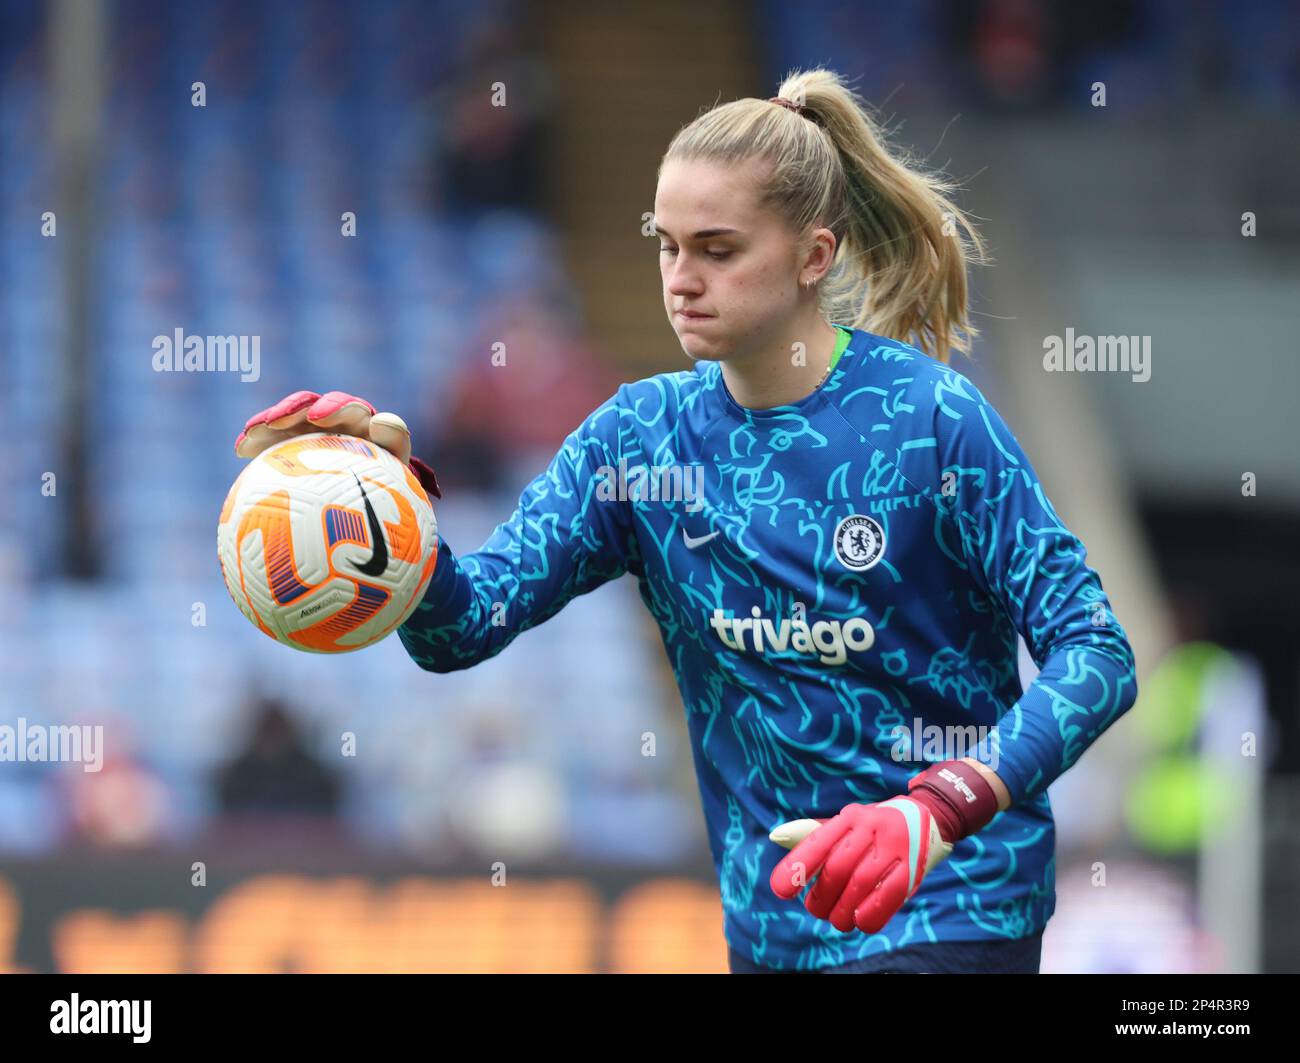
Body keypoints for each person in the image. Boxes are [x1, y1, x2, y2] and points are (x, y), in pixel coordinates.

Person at [232, 68, 1138, 974]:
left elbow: (1098, 652)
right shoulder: (640, 439)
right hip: (771, 932)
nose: (681, 280)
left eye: (717, 249)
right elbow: (464, 626)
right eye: (667, 247)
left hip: (952, 910)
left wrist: (939, 806)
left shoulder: (934, 423)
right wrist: (389, 518)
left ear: (814, 256)